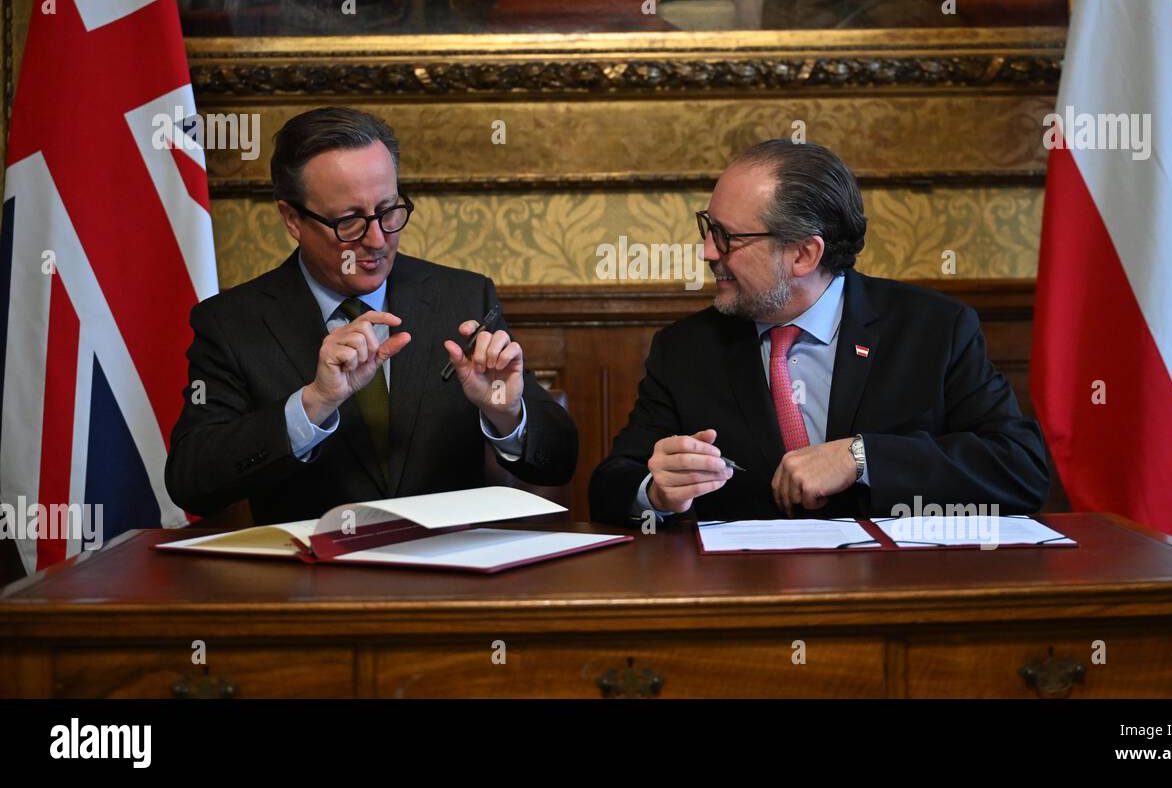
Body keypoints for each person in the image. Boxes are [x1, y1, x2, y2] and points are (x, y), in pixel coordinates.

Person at [588, 139, 1049, 524]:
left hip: (894, 588)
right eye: (709, 228)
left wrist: (861, 458)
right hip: (745, 594)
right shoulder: (686, 349)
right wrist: (656, 492)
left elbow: (1020, 468)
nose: (708, 251)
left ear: (804, 255)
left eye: (728, 237)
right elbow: (610, 485)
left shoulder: (933, 329)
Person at [166, 107, 577, 523]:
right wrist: (312, 405)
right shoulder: (232, 322)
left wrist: (506, 412)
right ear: (292, 219)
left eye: (388, 210)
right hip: (310, 562)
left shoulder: (463, 297)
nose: (377, 240)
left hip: (449, 558)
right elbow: (191, 483)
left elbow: (558, 462)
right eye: (349, 221)